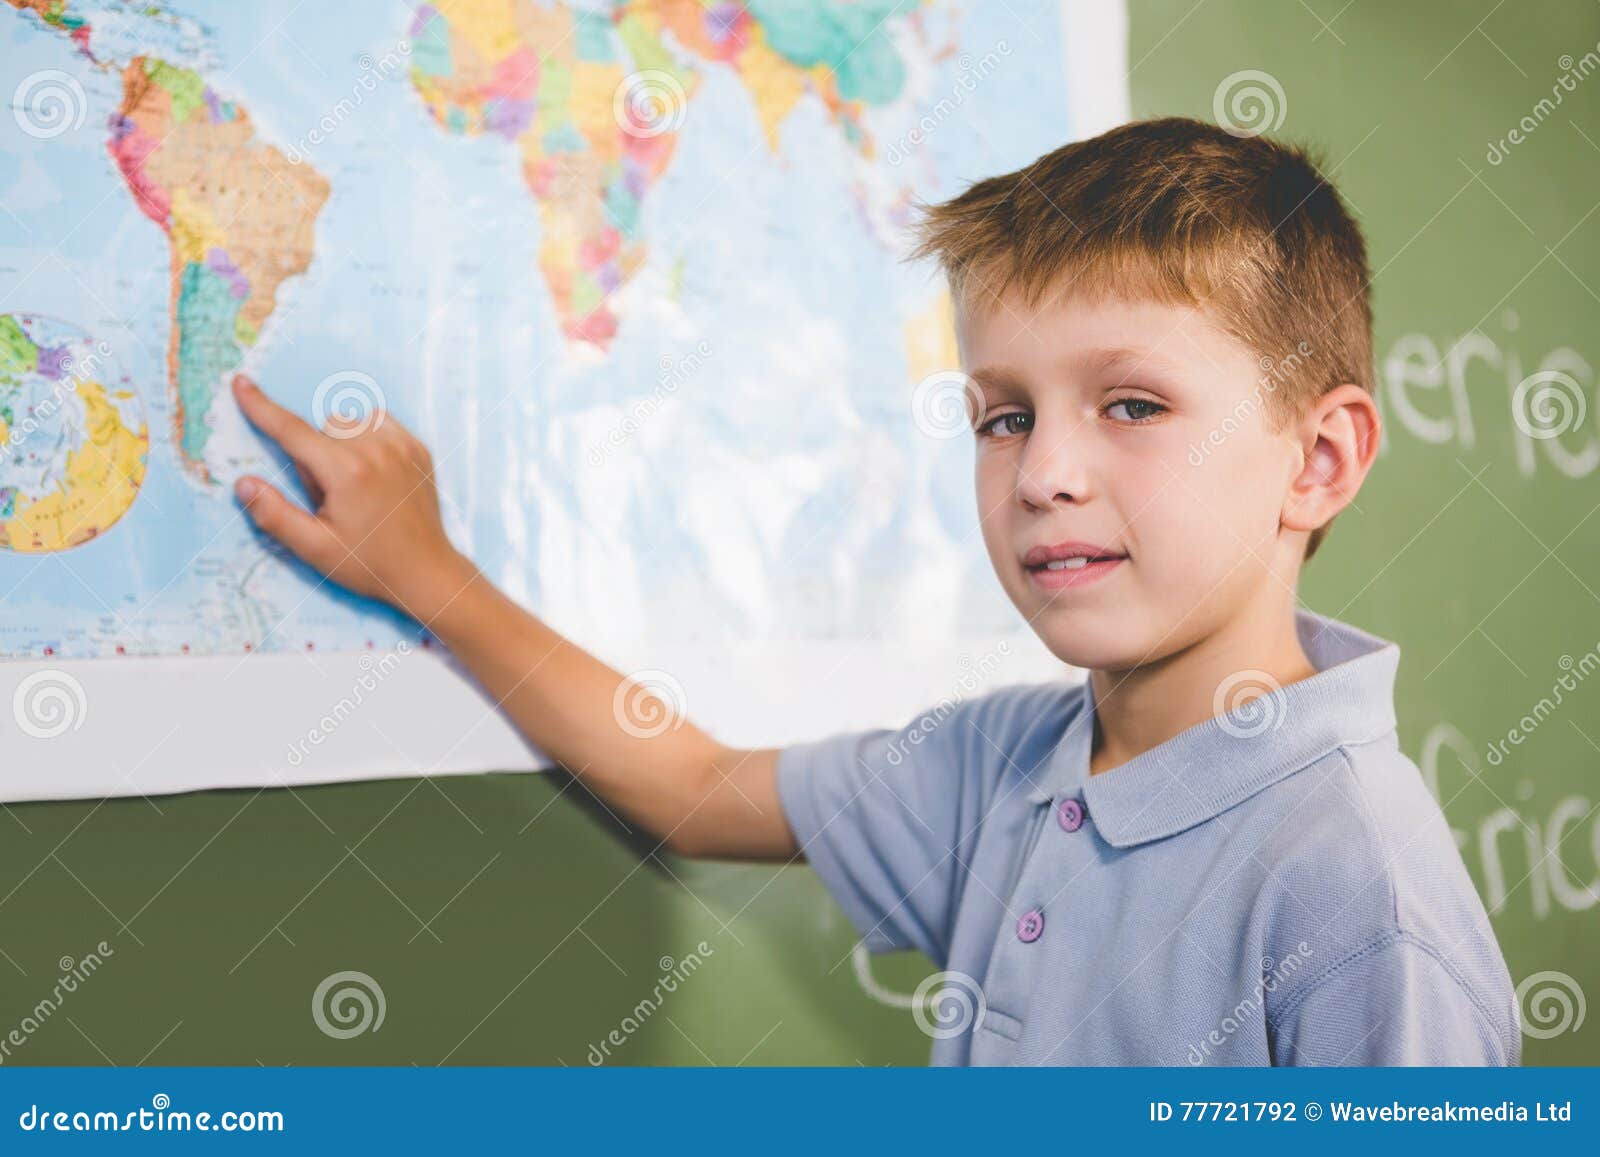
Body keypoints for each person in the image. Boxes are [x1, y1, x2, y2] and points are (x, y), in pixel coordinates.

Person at [231, 116, 1520, 1066]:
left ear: (1320, 461)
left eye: (1132, 404)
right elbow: (690, 787)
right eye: (1003, 417)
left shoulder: (1359, 893)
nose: (1044, 473)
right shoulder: (1002, 765)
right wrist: (431, 576)